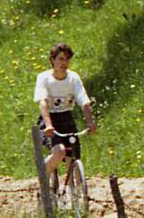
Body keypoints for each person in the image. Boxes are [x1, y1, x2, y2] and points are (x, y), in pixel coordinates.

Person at [34, 43, 97, 192]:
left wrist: (90, 123)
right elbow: (43, 102)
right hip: (49, 119)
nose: (64, 63)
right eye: (61, 59)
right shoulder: (44, 78)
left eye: (67, 59)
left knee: (73, 157)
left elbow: (84, 101)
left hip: (67, 118)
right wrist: (48, 125)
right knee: (59, 151)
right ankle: (43, 177)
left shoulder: (73, 78)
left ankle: (73, 193)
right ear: (53, 60)